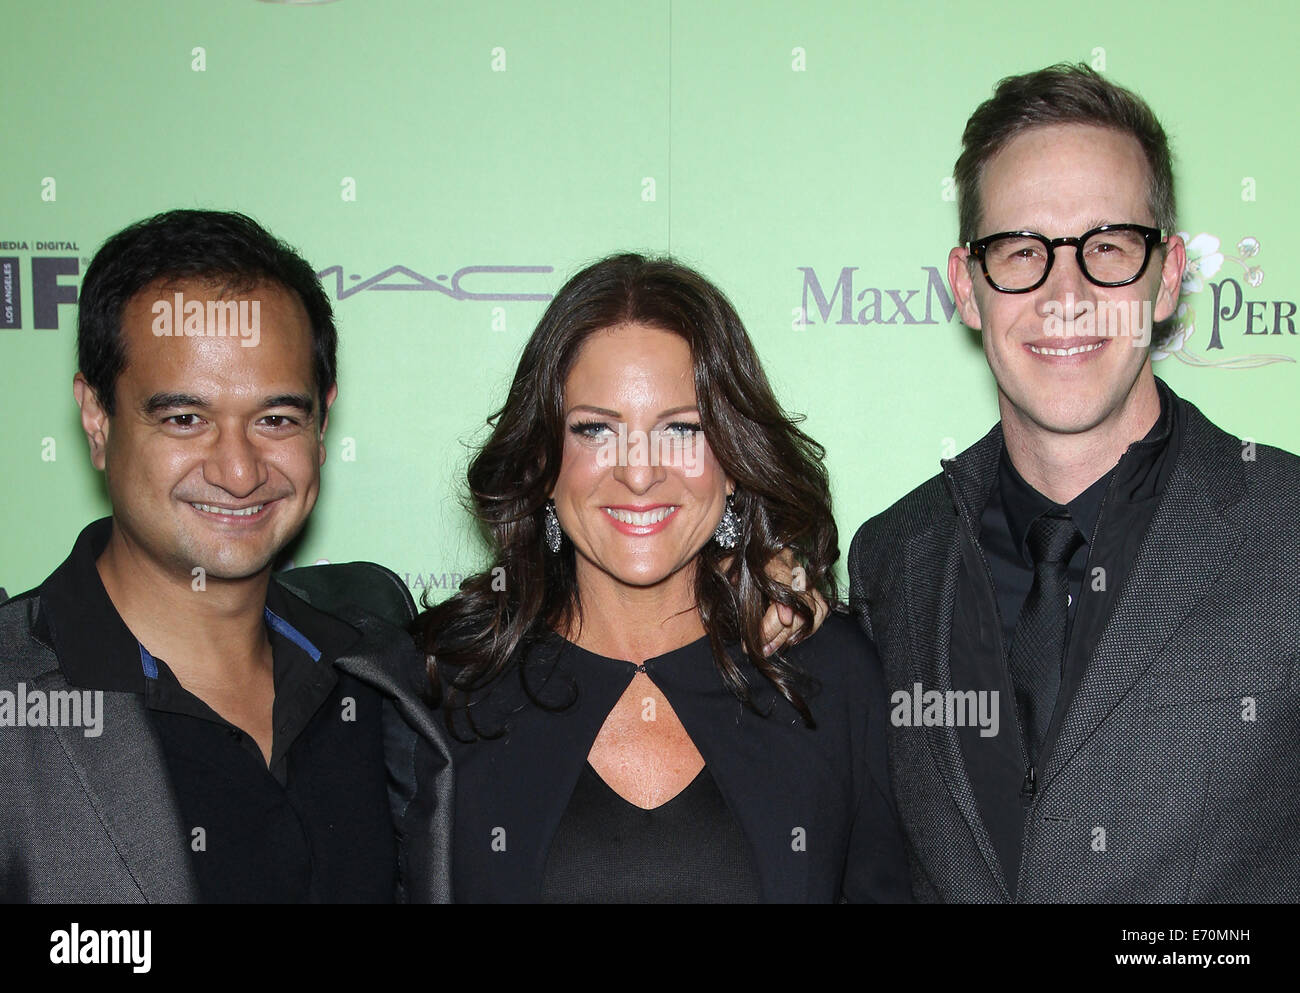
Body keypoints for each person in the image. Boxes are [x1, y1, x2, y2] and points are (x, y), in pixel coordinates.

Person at [849, 63, 1300, 902]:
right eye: (1021, 251)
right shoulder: (891, 561)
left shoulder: (1288, 528)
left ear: (1166, 277)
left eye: (1107, 249)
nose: (1067, 294)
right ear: (966, 286)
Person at [415, 253, 911, 902]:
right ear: (541, 462)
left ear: (733, 460)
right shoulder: (446, 685)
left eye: (681, 429)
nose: (640, 472)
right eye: (596, 429)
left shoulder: (830, 676)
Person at [0, 209, 452, 902]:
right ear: (97, 420)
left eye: (276, 419)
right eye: (185, 418)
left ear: (322, 424)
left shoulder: (379, 683)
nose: (239, 471)